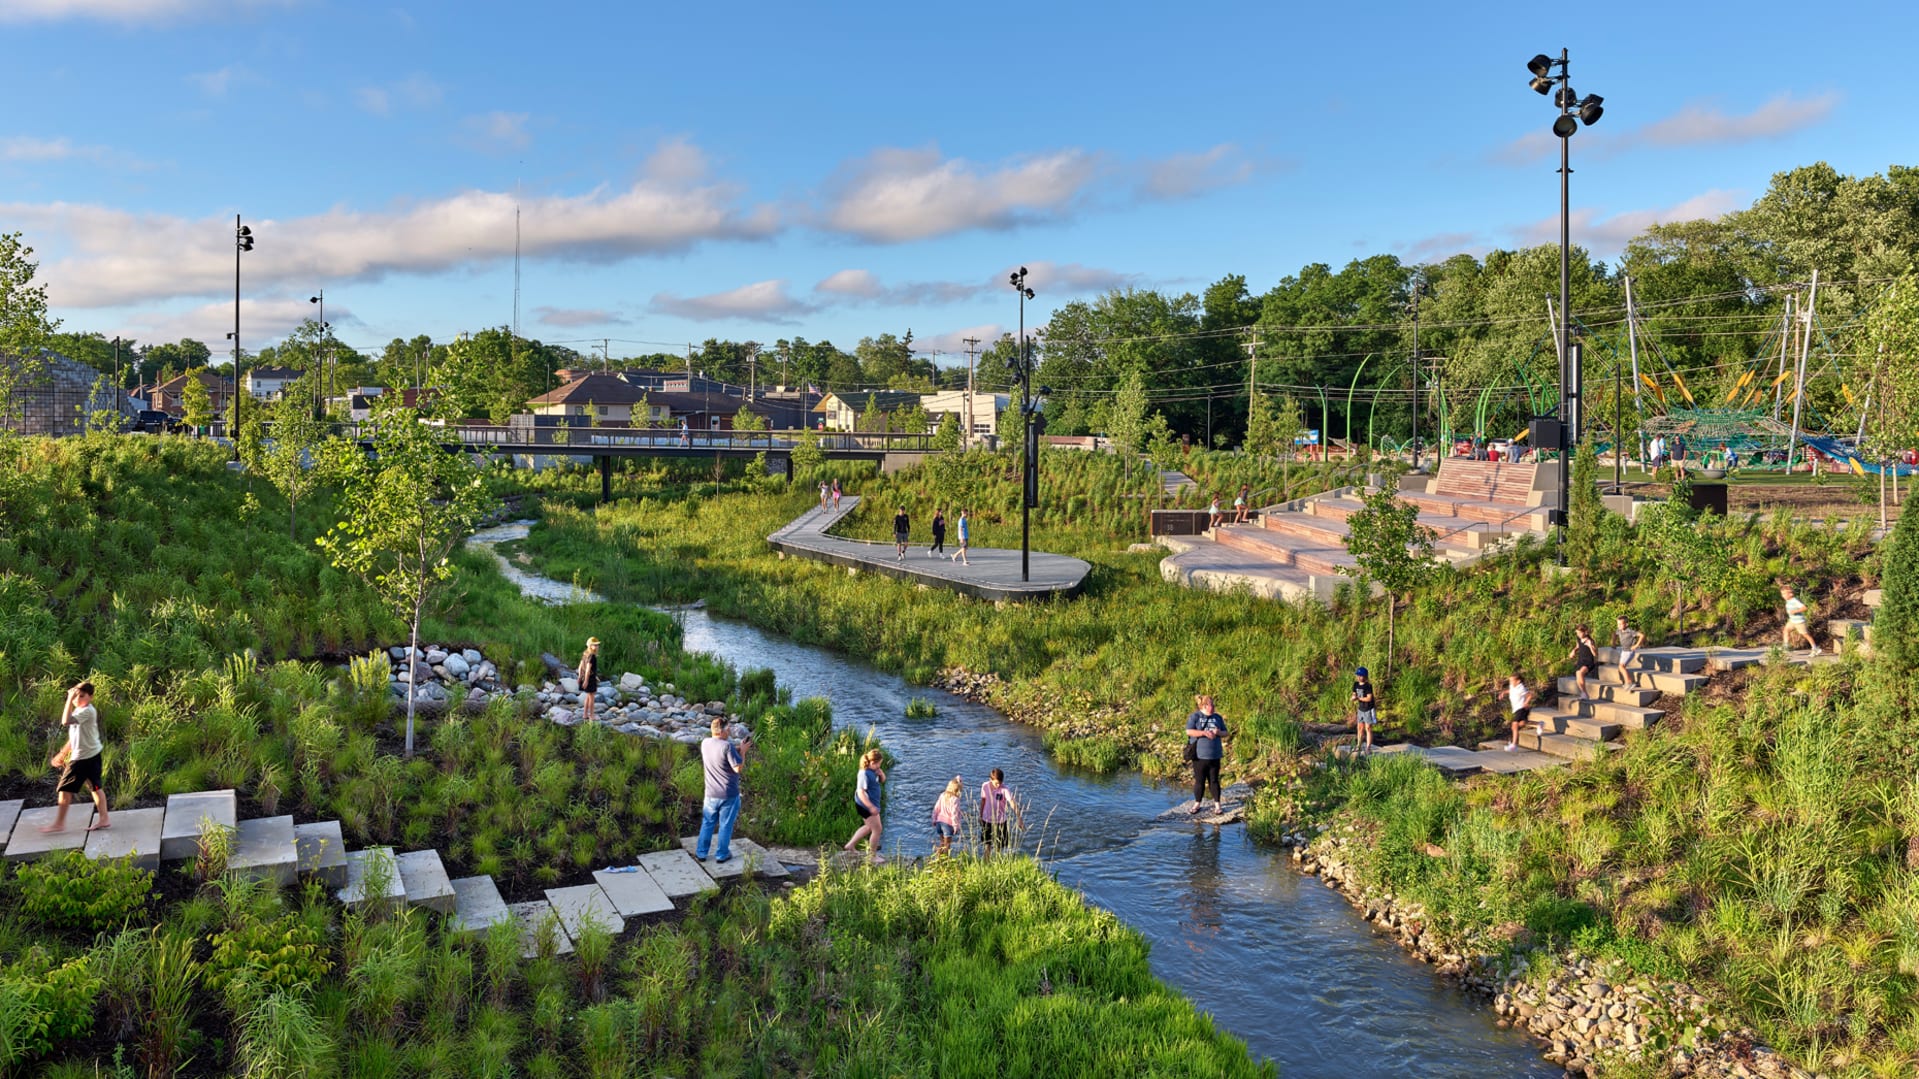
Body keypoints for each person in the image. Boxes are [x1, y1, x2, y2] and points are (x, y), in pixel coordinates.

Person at [40, 682, 109, 833]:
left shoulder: (87, 712)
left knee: (64, 789)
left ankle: (59, 824)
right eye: (75, 696)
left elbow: (65, 721)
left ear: (91, 697)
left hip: (82, 758)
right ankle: (104, 819)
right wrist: (63, 754)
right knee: (96, 788)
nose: (77, 699)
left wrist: (69, 697)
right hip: (92, 754)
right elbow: (74, 738)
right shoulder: (80, 710)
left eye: (82, 696)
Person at [694, 716, 748, 864]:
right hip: (728, 794)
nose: (730, 731)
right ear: (722, 731)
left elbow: (719, 753)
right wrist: (742, 752)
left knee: (707, 823)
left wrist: (737, 748)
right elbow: (737, 768)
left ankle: (701, 853)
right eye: (728, 728)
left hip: (711, 794)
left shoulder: (705, 743)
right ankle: (721, 854)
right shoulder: (727, 746)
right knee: (725, 825)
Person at [1185, 694, 1228, 814]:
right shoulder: (1195, 716)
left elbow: (1226, 733)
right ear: (1204, 705)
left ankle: (1217, 805)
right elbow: (1189, 731)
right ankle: (1197, 803)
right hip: (1199, 756)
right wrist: (1204, 733)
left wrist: (1218, 732)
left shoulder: (1218, 718)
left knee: (1214, 780)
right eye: (1211, 704)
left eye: (1213, 704)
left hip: (1215, 755)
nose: (1213, 706)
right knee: (1199, 781)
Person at [843, 748, 887, 863]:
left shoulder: (873, 771)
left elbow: (882, 781)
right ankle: (872, 856)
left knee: (868, 827)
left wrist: (881, 774)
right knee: (877, 830)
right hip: (866, 805)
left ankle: (850, 845)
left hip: (871, 804)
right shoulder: (864, 774)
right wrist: (871, 807)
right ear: (872, 762)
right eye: (878, 764)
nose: (879, 766)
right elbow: (860, 792)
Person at [979, 768, 1018, 852]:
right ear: (990, 780)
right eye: (996, 783)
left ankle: (997, 861)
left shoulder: (1005, 789)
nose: (998, 785)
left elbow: (1012, 802)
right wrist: (980, 815)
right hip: (987, 820)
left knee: (999, 845)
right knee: (987, 845)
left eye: (1000, 783)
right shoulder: (985, 786)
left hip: (1000, 821)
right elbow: (983, 801)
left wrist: (1019, 818)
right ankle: (986, 863)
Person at [1781, 585, 1820, 656]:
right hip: (1792, 621)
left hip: (1799, 622)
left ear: (1790, 594)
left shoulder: (1794, 600)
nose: (1783, 596)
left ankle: (1815, 648)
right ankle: (1786, 646)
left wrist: (1795, 611)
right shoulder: (1788, 600)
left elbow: (1804, 608)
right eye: (1782, 594)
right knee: (1786, 630)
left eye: (1784, 594)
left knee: (1805, 635)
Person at [931, 776, 963, 856]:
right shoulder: (955, 799)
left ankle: (938, 858)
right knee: (947, 844)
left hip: (939, 822)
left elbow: (936, 808)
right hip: (947, 825)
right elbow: (954, 814)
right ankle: (946, 860)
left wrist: (934, 819)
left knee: (942, 843)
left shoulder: (942, 795)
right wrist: (956, 826)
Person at [1351, 668, 1379, 755]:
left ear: (1365, 676)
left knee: (1368, 728)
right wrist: (1353, 698)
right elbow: (1354, 694)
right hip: (1360, 709)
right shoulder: (1355, 684)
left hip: (1368, 709)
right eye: (1358, 675)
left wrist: (1358, 698)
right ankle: (1358, 745)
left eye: (1361, 676)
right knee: (1359, 728)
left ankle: (1368, 748)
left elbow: (1369, 698)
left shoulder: (1368, 686)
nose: (1359, 677)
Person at [1568, 624, 1598, 702]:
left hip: (1588, 662)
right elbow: (1578, 646)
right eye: (1577, 633)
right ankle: (1583, 692)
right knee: (1578, 675)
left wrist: (1590, 646)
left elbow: (1595, 654)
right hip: (1581, 660)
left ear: (1585, 632)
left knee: (1580, 673)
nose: (1578, 634)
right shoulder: (1578, 638)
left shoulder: (1590, 641)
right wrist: (1573, 651)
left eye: (1579, 633)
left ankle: (1584, 693)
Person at [1505, 673, 1534, 751]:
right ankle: (1539, 724)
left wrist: (1526, 702)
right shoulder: (1512, 686)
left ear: (1518, 681)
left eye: (1512, 681)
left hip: (1521, 708)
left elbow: (1530, 695)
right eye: (1510, 681)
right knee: (1522, 723)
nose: (1510, 682)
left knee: (1514, 725)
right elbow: (1511, 690)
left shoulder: (1521, 688)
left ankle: (1514, 745)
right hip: (1517, 709)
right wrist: (1504, 693)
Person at [1614, 615, 1644, 689]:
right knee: (1621, 667)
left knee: (1621, 667)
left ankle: (1629, 682)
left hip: (1629, 651)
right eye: (1618, 624)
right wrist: (1613, 643)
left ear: (1626, 624)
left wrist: (1636, 645)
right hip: (1624, 651)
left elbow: (1642, 635)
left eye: (1621, 624)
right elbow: (1614, 634)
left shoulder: (1630, 631)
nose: (1619, 626)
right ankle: (1628, 682)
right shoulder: (1619, 631)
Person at [576, 637, 602, 722]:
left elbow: (580, 666)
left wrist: (580, 676)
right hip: (589, 678)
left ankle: (585, 714)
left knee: (588, 696)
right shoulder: (592, 656)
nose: (597, 647)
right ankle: (591, 716)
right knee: (592, 697)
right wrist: (587, 680)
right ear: (590, 646)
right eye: (595, 645)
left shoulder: (585, 654)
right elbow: (587, 669)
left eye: (597, 645)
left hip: (586, 677)